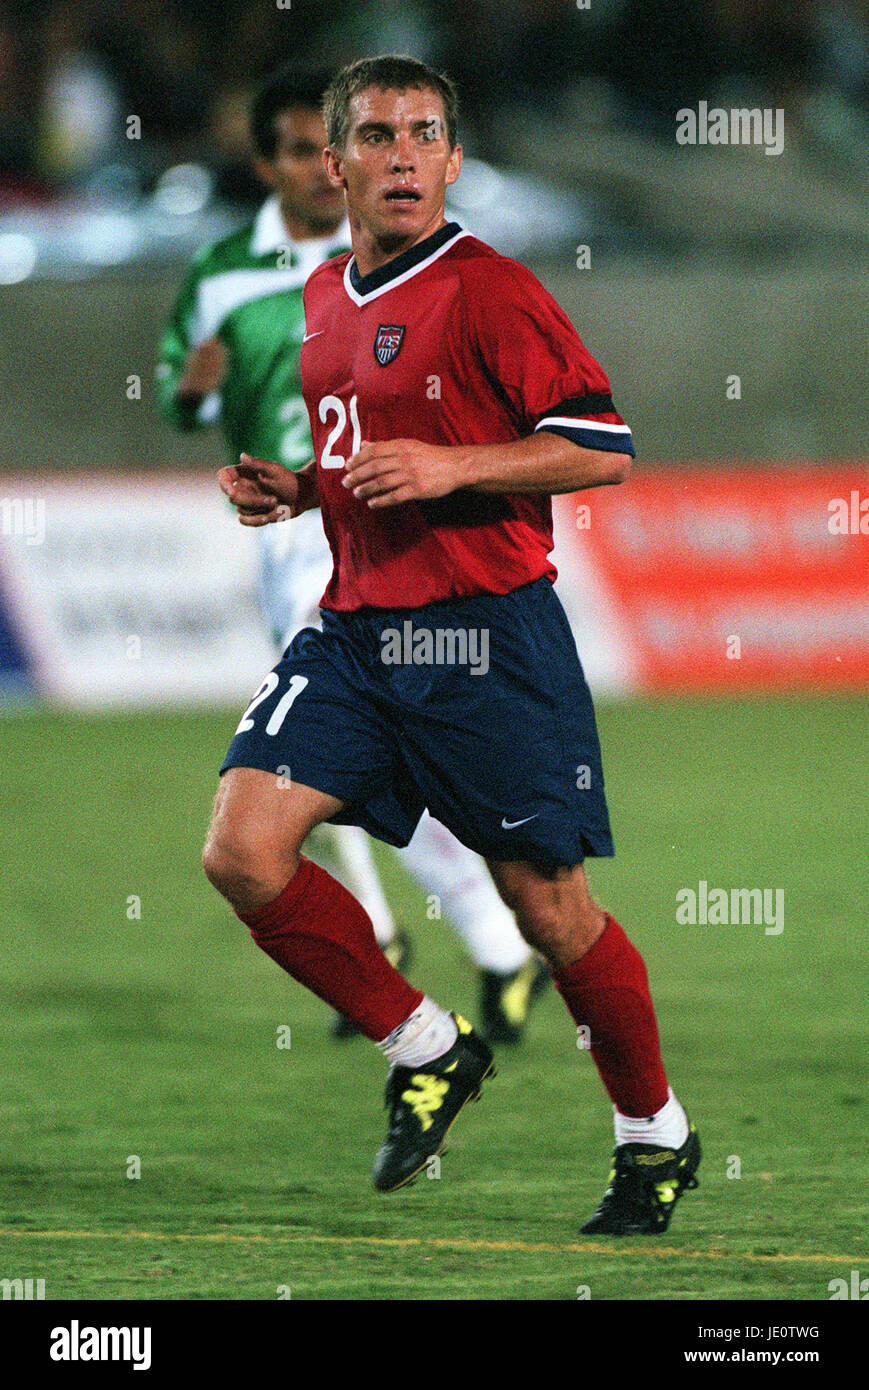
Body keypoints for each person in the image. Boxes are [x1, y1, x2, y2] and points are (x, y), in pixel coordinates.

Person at [206, 54, 701, 1233]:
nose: (402, 158)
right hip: (356, 635)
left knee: (550, 910)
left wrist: (454, 467)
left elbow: (600, 445)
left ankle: (655, 1138)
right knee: (242, 850)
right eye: (376, 137)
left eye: (424, 134)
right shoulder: (326, 295)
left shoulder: (488, 288)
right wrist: (308, 490)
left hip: (485, 644)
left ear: (452, 159)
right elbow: (373, 462)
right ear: (334, 165)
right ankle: (427, 1045)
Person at [156, 65, 549, 1045]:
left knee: (347, 747)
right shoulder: (220, 273)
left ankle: (484, 939)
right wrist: (196, 388)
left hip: (368, 523)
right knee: (321, 751)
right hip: (281, 529)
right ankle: (407, 931)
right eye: (300, 151)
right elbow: (180, 399)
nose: (327, 171)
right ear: (275, 163)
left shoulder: (385, 250)